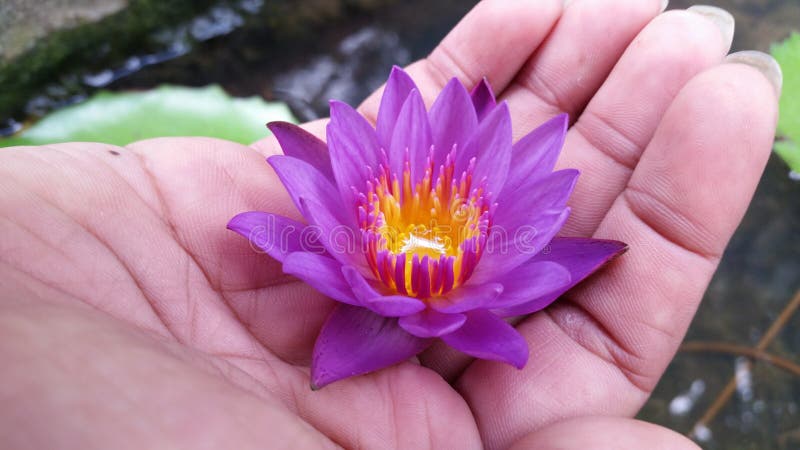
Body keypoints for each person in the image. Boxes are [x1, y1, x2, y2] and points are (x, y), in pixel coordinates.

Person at [0, 1, 781, 448]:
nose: (419, 248)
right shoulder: (330, 243)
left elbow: (537, 273)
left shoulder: (508, 254)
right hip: (356, 285)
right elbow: (294, 181)